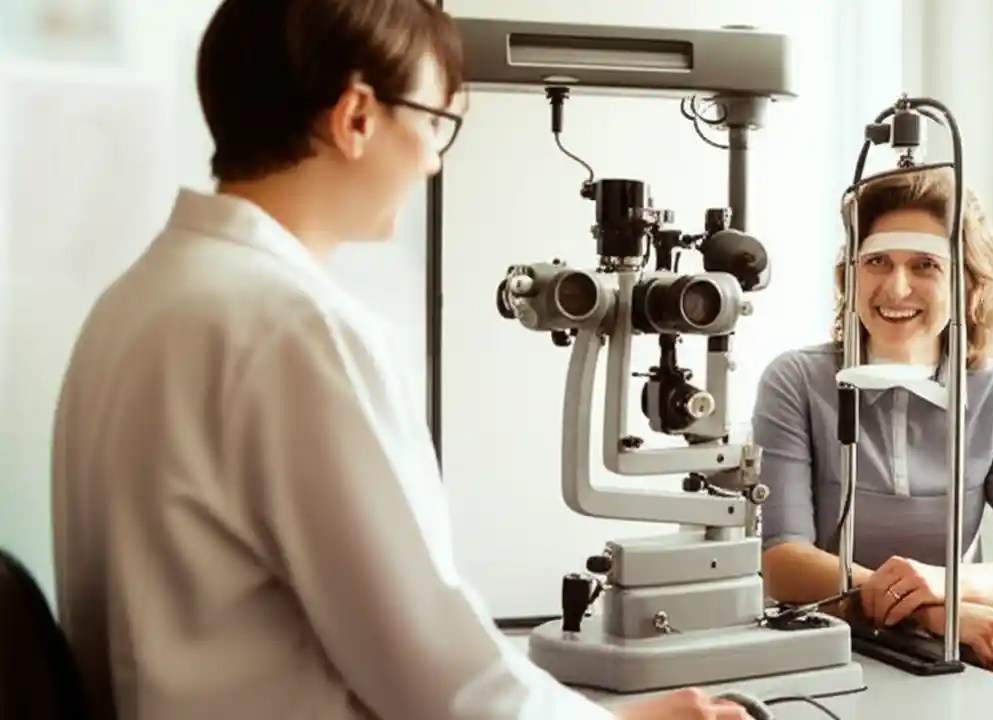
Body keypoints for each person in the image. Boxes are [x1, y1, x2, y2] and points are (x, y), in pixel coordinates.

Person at [49, 1, 751, 718]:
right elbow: (441, 687)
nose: (434, 158)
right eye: (435, 122)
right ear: (356, 116)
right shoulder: (297, 329)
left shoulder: (136, 302)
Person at [752, 167, 993, 683]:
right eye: (878, 261)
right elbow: (783, 560)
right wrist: (929, 610)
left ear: (966, 284)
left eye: (925, 265)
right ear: (850, 276)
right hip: (824, 647)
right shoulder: (797, 380)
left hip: (948, 658)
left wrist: (944, 585)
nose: (897, 288)